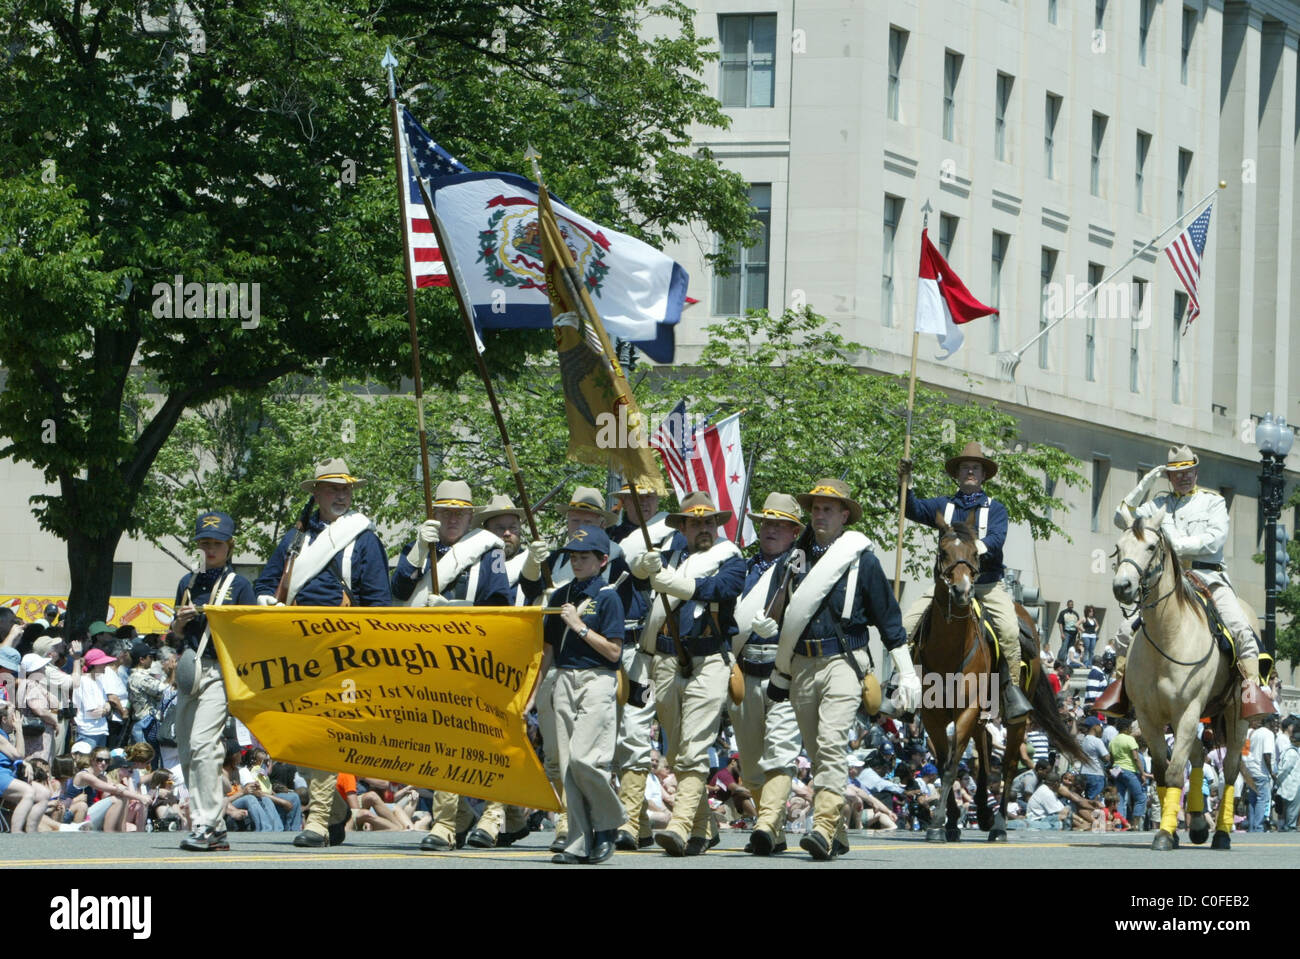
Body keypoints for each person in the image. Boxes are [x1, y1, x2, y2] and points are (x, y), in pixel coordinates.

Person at [766, 478, 919, 861]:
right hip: (801, 663)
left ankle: (821, 825)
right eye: (815, 508)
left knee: (831, 742)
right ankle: (836, 831)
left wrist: (907, 672)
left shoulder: (861, 560)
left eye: (828, 509)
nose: (819, 514)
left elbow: (888, 618)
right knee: (818, 752)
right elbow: (775, 610)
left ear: (844, 515)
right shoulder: (795, 558)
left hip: (843, 661)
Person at [255, 458, 392, 848]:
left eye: (346, 488)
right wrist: (268, 601)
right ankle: (332, 811)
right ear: (316, 493)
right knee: (300, 737)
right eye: (333, 488)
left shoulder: (364, 538)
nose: (342, 494)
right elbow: (266, 583)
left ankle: (317, 819)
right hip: (298, 650)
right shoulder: (295, 538)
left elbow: (379, 604)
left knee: (326, 735)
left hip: (343, 651)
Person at [1108, 445, 1276, 717]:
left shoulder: (1213, 501)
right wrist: (1147, 482)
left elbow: (1215, 539)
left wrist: (1175, 545)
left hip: (1208, 576)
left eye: (1187, 472)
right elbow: (1120, 518)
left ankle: (1251, 694)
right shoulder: (1156, 505)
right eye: (1176, 473)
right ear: (1169, 476)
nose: (1183, 477)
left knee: (1240, 629)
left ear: (1196, 471)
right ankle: (1120, 690)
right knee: (1125, 632)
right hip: (1169, 581)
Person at [391, 479, 510, 852]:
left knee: (459, 740)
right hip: (425, 660)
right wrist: (417, 551)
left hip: (469, 658)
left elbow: (501, 609)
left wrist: (458, 611)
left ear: (470, 515)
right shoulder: (422, 547)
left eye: (459, 512)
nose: (452, 518)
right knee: (438, 744)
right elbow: (397, 592)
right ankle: (464, 817)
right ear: (435, 514)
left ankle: (451, 822)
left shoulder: (488, 551)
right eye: (445, 511)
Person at [629, 490, 745, 857]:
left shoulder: (731, 558)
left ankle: (678, 826)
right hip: (664, 660)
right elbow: (632, 587)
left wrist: (669, 582)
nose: (704, 528)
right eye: (695, 522)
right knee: (678, 753)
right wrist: (643, 568)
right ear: (683, 527)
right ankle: (703, 826)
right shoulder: (667, 558)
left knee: (695, 749)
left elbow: (721, 589)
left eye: (709, 521)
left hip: (709, 660)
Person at [899, 443, 1033, 722]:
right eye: (965, 468)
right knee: (906, 626)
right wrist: (906, 483)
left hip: (986, 585)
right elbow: (911, 509)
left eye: (975, 468)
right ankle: (901, 687)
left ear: (983, 475)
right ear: (957, 475)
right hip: (947, 587)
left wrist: (967, 550)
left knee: (1009, 631)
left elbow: (996, 541)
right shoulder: (942, 506)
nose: (970, 472)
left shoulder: (996, 509)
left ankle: (1012, 694)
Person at [536, 525, 626, 864]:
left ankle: (607, 826)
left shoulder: (608, 596)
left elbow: (614, 652)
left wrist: (580, 626)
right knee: (568, 764)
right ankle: (577, 841)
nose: (576, 563)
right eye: (572, 557)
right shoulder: (561, 596)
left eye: (584, 557)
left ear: (602, 561)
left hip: (597, 678)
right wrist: (534, 693)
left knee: (586, 759)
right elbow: (547, 650)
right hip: (564, 677)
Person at [170, 510, 257, 851]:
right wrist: (180, 622)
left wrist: (214, 618)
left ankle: (208, 824)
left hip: (220, 672)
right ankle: (210, 826)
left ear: (229, 546)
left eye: (216, 544)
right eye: (204, 543)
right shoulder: (187, 583)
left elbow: (250, 634)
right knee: (188, 752)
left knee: (206, 746)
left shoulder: (240, 585)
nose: (209, 550)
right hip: (189, 673)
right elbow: (174, 636)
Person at [728, 491, 805, 856]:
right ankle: (771, 828)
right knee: (752, 759)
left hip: (782, 673)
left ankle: (766, 823)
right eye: (767, 523)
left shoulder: (802, 570)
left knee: (779, 753)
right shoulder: (741, 567)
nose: (771, 530)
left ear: (794, 532)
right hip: (744, 671)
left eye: (780, 525)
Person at [607, 481, 672, 852]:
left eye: (649, 497)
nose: (644, 503)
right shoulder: (610, 540)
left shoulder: (672, 537)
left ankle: (630, 820)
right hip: (607, 649)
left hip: (645, 652)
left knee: (634, 732)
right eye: (636, 497)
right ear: (622, 502)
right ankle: (641, 822)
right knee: (610, 736)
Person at [72, 647, 117, 748]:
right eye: (103, 663)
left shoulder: (98, 680)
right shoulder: (85, 682)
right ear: (94, 665)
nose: (106, 665)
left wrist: (105, 708)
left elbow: (107, 704)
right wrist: (106, 709)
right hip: (88, 732)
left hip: (100, 730)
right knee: (87, 763)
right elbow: (93, 713)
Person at [19, 652, 59, 764]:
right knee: (39, 764)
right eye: (42, 667)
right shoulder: (31, 685)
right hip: (38, 735)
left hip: (32, 733)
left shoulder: (26, 684)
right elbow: (39, 710)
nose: (45, 669)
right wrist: (54, 722)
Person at [1109, 719, 1147, 830]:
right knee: (1140, 798)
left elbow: (1111, 759)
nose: (1131, 729)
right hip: (1129, 770)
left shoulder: (1113, 741)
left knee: (1120, 799)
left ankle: (1120, 824)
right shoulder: (1130, 739)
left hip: (1116, 770)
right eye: (1130, 727)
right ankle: (1135, 824)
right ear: (1126, 728)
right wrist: (1142, 773)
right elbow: (1135, 757)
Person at [1241, 714, 1275, 832]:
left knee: (1252, 799)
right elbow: (1267, 754)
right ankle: (1258, 827)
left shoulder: (1254, 733)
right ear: (1270, 723)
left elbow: (1247, 751)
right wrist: (1272, 773)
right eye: (1274, 723)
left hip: (1251, 771)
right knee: (1262, 799)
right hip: (1261, 772)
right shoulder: (1268, 734)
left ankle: (1252, 827)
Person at [1078, 717, 1110, 800]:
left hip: (1084, 772)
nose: (1102, 729)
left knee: (1086, 799)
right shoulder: (1097, 741)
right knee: (1094, 801)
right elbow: (1107, 757)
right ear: (1095, 727)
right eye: (1101, 726)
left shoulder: (1083, 739)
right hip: (1096, 773)